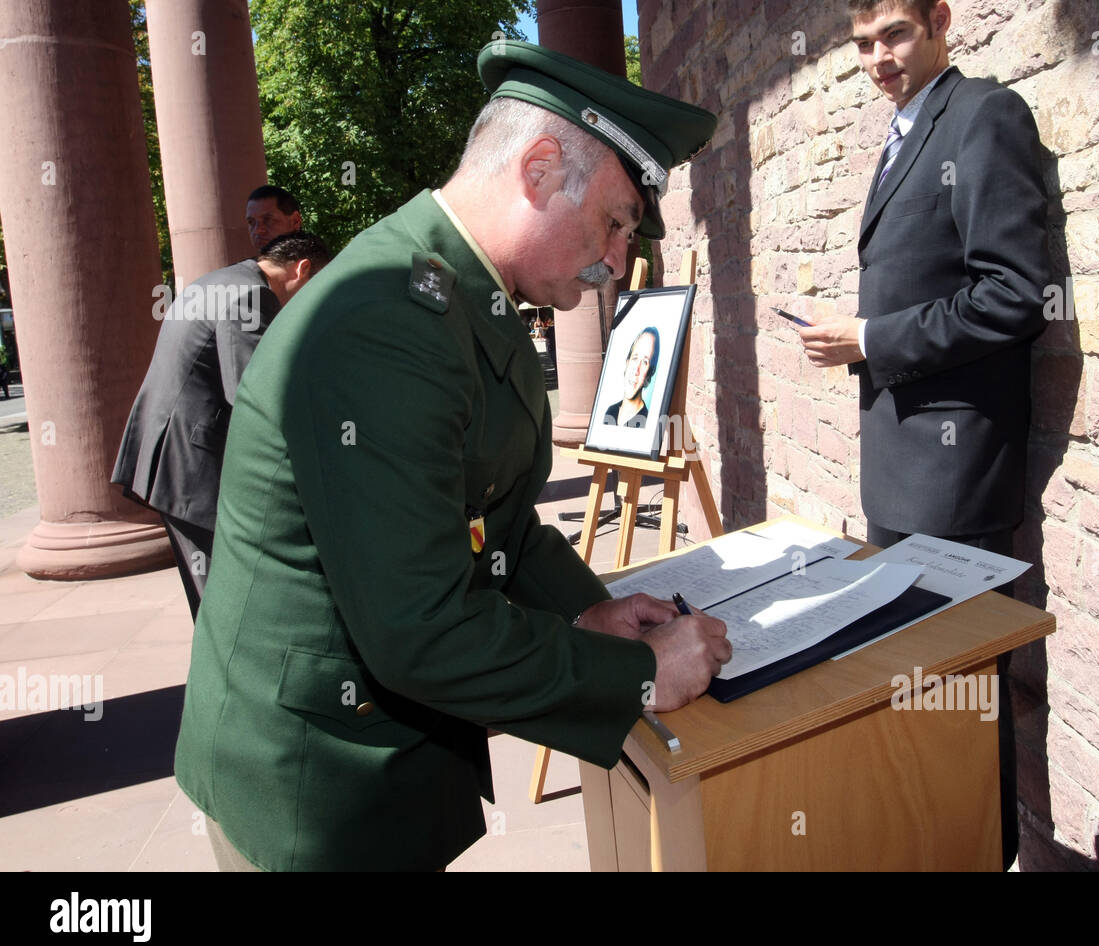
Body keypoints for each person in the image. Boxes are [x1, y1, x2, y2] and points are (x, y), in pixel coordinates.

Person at [173, 40, 731, 871]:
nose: (617, 261)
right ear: (539, 170)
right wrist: (637, 676)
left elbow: (491, 514)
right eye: (614, 223)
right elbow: (420, 631)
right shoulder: (385, 322)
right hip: (315, 785)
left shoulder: (451, 291)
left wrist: (587, 611)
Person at [795, 0, 1050, 870]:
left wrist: (869, 339)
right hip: (900, 469)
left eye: (895, 35)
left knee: (960, 692)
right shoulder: (903, 134)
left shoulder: (983, 114)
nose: (878, 59)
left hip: (953, 473)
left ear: (940, 19)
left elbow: (1014, 295)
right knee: (916, 686)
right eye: (863, 44)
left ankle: (989, 853)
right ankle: (935, 846)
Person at [111, 232, 333, 619]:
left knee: (210, 591)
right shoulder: (252, 296)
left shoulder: (219, 280)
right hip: (192, 466)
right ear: (303, 269)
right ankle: (225, 677)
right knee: (225, 601)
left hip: (172, 451)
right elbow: (256, 396)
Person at [604, 326, 658, 428]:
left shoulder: (647, 423)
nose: (636, 370)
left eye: (645, 362)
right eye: (635, 358)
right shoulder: (610, 412)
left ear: (649, 376)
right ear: (627, 363)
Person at [245, 185, 303, 252]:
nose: (257, 231)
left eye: (268, 220)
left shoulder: (315, 260)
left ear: (295, 221)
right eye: (251, 222)